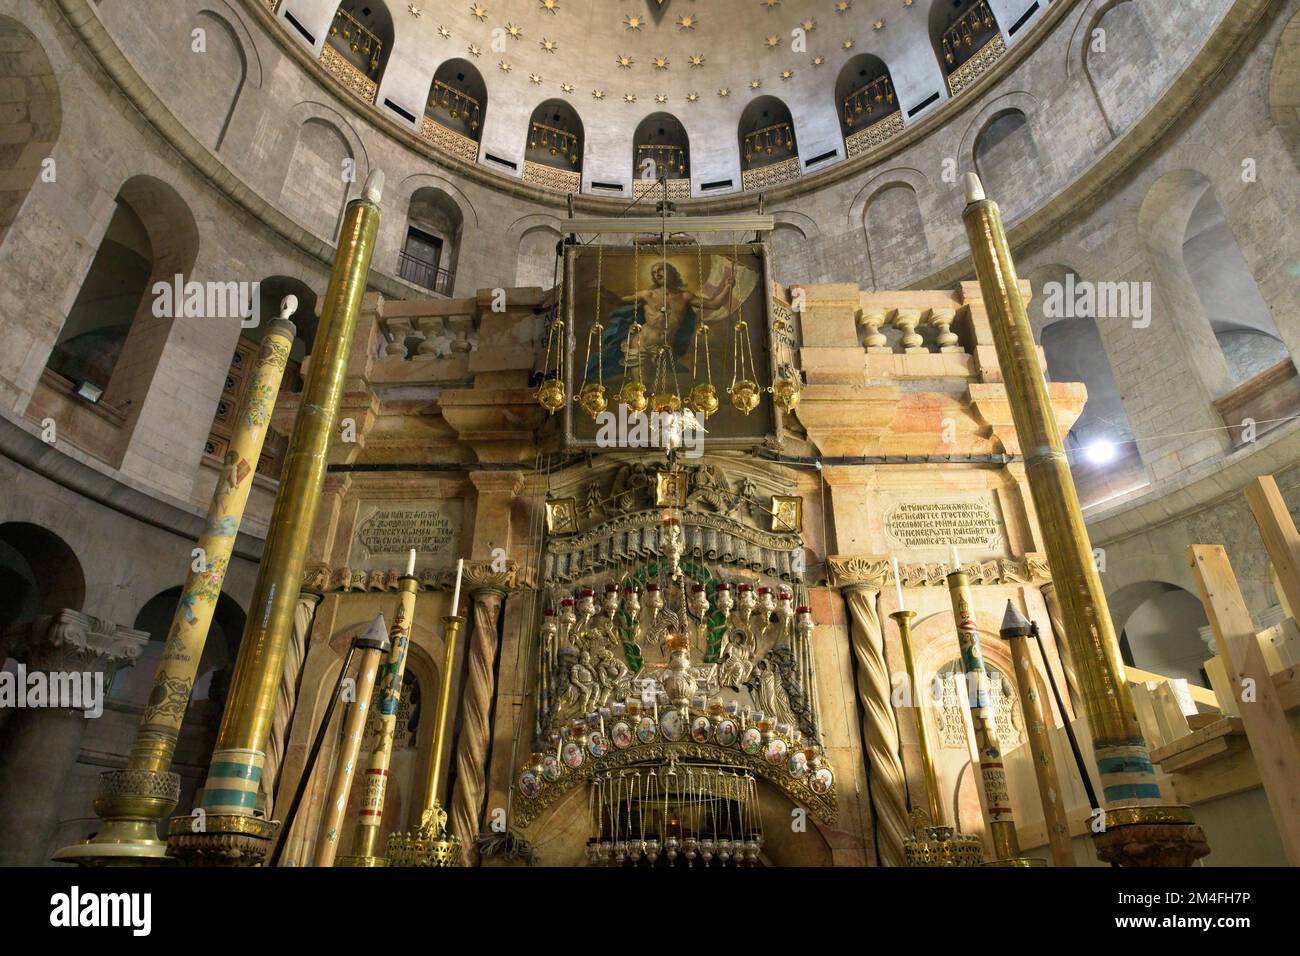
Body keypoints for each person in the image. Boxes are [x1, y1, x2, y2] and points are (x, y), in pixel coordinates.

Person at [587, 259, 737, 382]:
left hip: (665, 348)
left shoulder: (685, 297)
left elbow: (714, 304)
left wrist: (727, 287)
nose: (656, 274)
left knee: (659, 389)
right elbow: (620, 301)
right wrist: (601, 290)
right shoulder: (648, 295)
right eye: (654, 272)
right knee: (642, 387)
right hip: (642, 345)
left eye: (660, 270)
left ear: (672, 273)